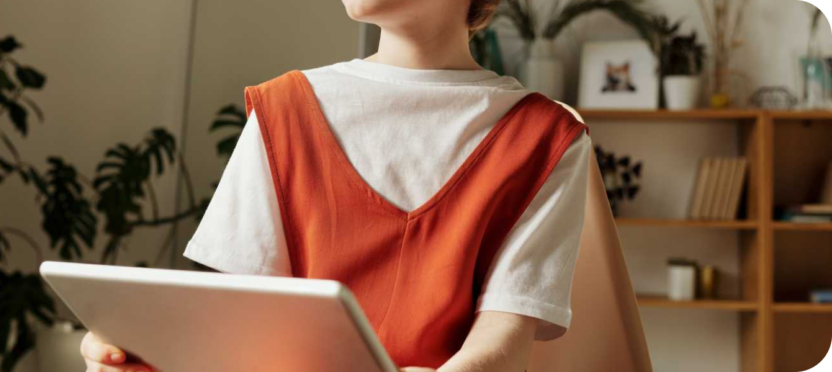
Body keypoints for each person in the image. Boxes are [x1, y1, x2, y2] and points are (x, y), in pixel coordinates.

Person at [80, 1, 592, 371]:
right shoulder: (283, 110)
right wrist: (143, 356)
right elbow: (239, 330)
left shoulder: (547, 139)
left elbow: (505, 336)